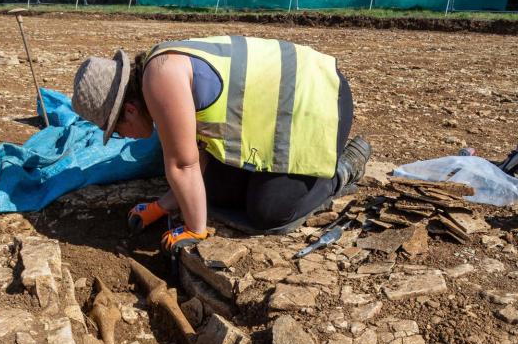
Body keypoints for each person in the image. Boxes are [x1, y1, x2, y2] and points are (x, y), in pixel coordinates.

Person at [71, 34, 371, 251]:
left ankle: (341, 170)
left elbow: (183, 164)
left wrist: (194, 231)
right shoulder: (159, 70)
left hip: (321, 102)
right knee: (213, 190)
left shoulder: (160, 77)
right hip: (282, 117)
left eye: (117, 129)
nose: (123, 138)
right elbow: (199, 157)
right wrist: (161, 207)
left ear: (130, 110)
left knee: (269, 213)